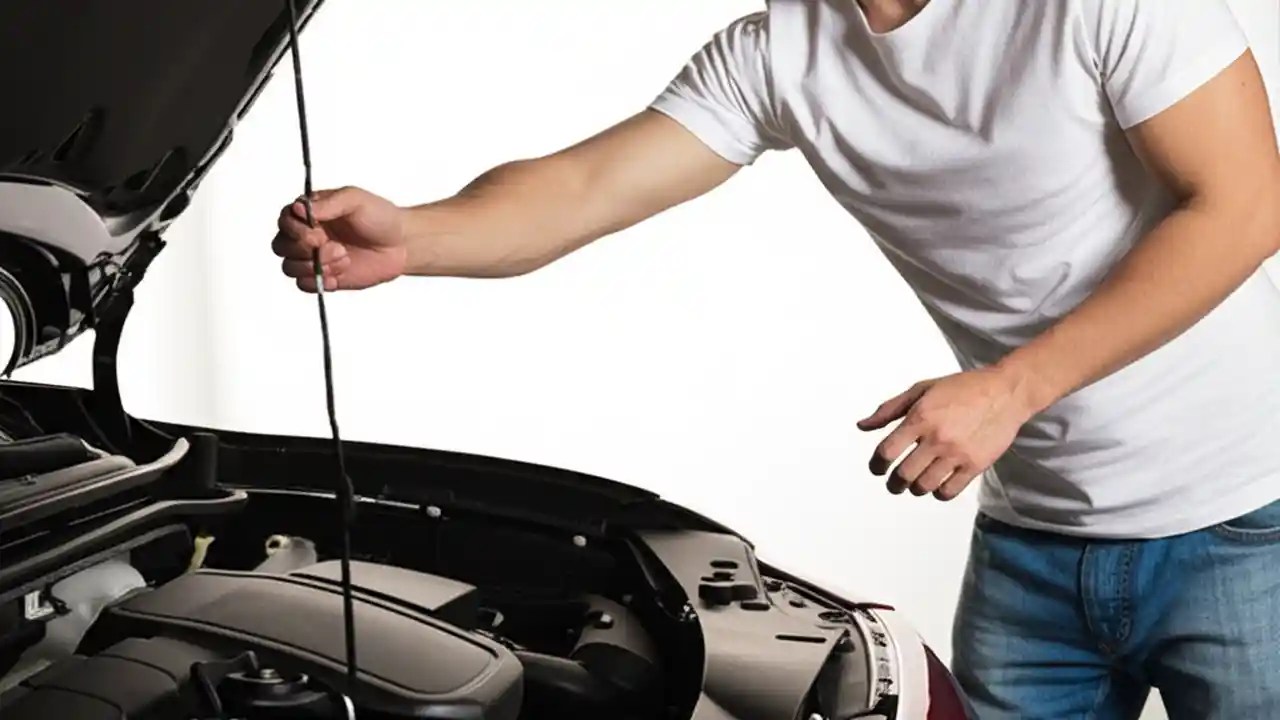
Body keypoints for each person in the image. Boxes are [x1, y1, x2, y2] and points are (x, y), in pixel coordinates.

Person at [272, 0, 1280, 717]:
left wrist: (1012, 387)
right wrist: (413, 235)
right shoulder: (776, 49)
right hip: (1034, 543)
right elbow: (579, 187)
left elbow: (1243, 205)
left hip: (1246, 524)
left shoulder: (1106, 6)